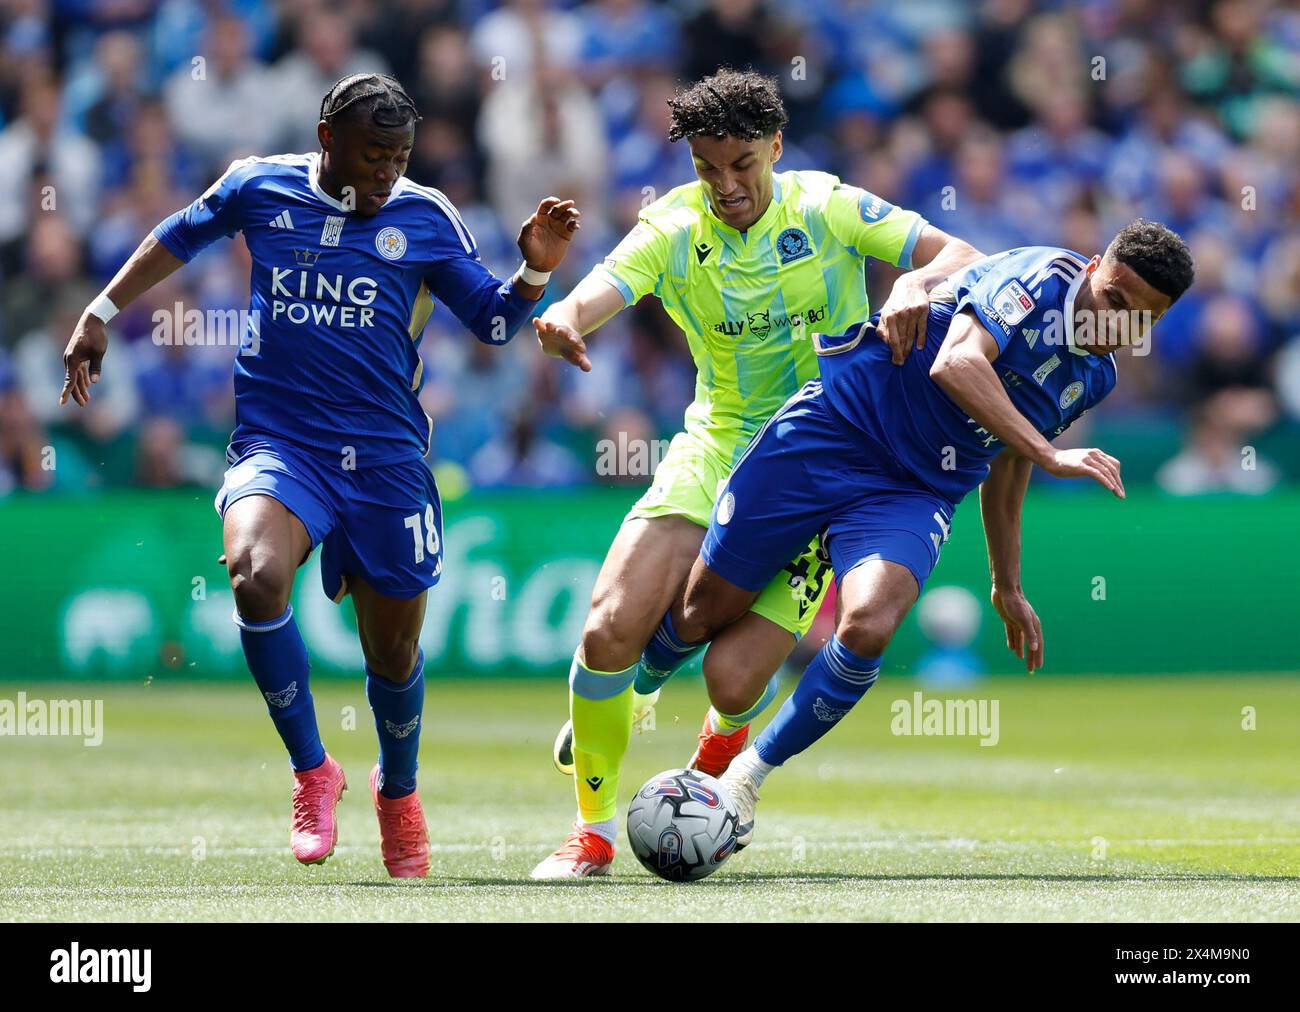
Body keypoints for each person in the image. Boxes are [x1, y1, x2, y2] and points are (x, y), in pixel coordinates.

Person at [60, 73, 581, 878]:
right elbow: (180, 232)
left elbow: (495, 321)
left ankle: (397, 793)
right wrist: (100, 311)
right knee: (255, 576)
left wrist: (536, 272)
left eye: (399, 157)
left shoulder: (425, 215)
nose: (386, 174)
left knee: (393, 657)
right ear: (327, 138)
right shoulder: (259, 186)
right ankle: (313, 771)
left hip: (385, 458)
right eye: (373, 156)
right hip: (283, 443)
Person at [528, 68, 981, 878]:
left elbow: (963, 255)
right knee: (607, 630)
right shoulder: (672, 225)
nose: (727, 185)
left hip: (828, 451)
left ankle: (716, 739)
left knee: (734, 683)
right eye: (708, 168)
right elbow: (604, 286)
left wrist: (912, 281)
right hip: (717, 442)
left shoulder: (828, 206)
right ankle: (591, 835)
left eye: (743, 164)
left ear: (774, 147)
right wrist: (564, 314)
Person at [650, 221, 1194, 847]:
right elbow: (957, 363)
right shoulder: (1039, 281)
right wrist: (1051, 454)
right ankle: (634, 694)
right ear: (1094, 266)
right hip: (838, 427)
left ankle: (744, 780)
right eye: (1114, 300)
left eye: (1138, 321)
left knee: (870, 624)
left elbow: (1007, 456)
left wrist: (1006, 583)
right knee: (700, 612)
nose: (1115, 325)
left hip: (913, 490)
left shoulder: (1094, 377)